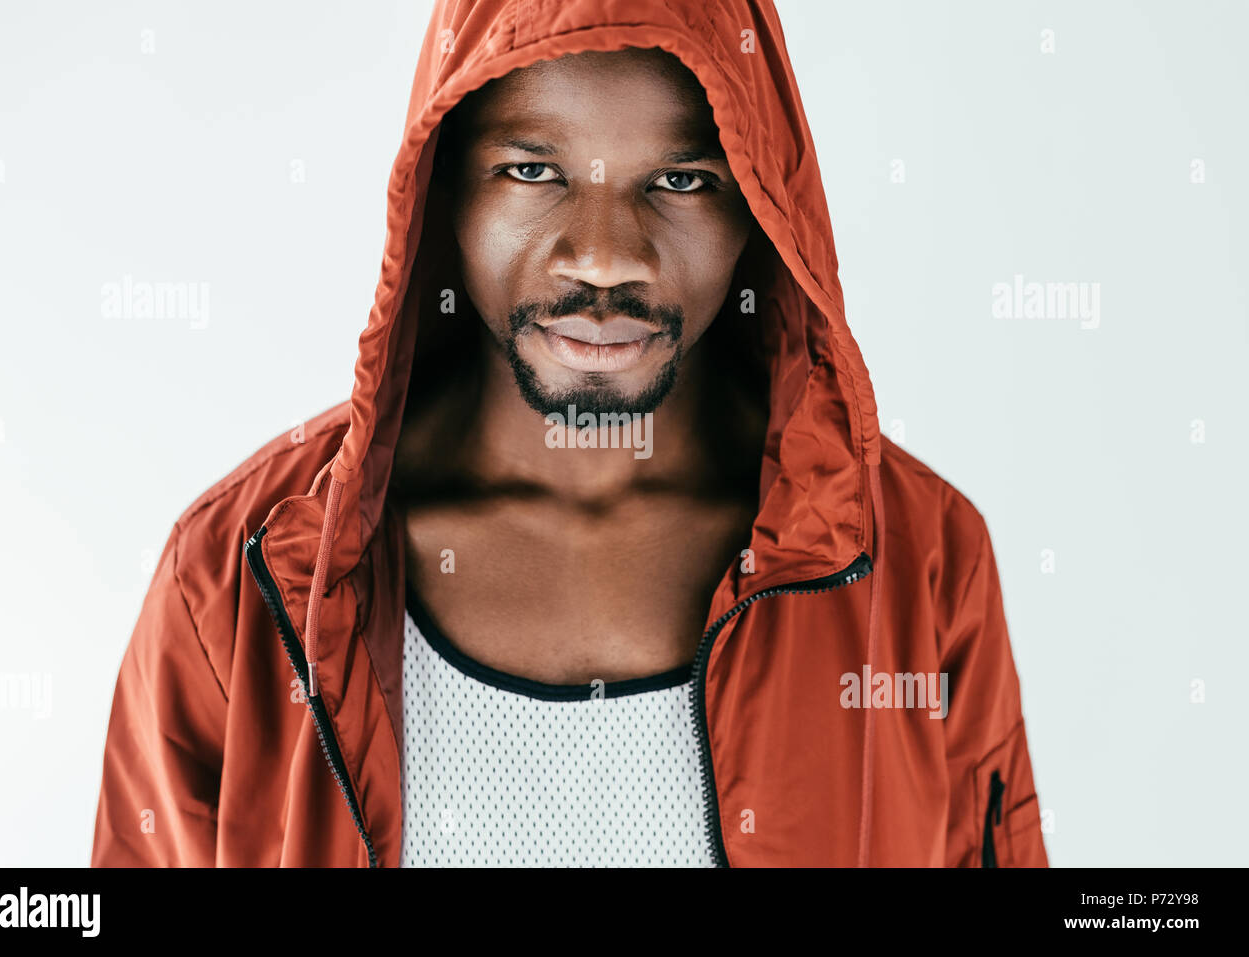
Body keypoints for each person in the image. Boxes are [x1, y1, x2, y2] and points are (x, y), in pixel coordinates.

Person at [92, 0, 1049, 867]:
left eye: (680, 177)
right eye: (533, 169)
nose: (604, 254)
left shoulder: (920, 559)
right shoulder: (235, 575)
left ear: (762, 207)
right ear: (441, 196)